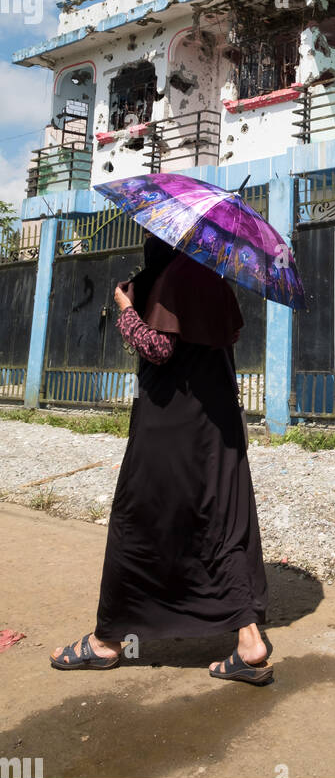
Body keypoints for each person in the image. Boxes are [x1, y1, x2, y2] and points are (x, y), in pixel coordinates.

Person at [50, 233, 272, 685]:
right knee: (220, 522)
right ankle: (249, 643)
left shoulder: (174, 278)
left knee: (140, 520)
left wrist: (126, 311)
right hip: (220, 429)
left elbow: (159, 348)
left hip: (171, 430)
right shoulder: (213, 279)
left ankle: (106, 642)